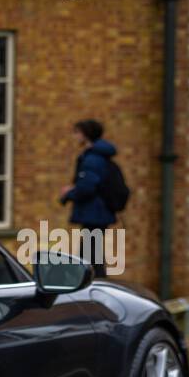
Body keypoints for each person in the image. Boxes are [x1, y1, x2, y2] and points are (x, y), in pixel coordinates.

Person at [59, 119, 123, 277]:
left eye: (77, 132)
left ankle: (92, 285)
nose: (75, 136)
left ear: (86, 135)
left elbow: (87, 187)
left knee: (89, 254)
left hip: (94, 213)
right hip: (98, 212)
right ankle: (90, 283)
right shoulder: (98, 157)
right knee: (91, 253)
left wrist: (68, 194)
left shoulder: (92, 159)